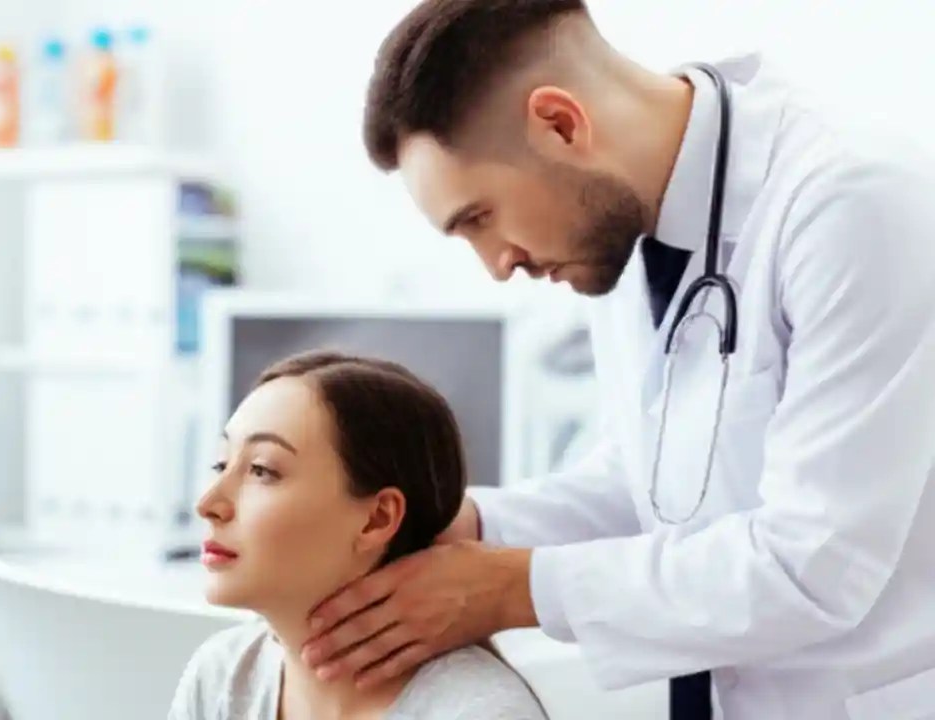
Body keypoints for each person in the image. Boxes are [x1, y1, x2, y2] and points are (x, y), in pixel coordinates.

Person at [297, 2, 935, 719]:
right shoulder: (622, 232)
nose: (497, 265)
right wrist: (467, 524)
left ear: (561, 124)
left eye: (480, 216)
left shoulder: (853, 203)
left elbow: (815, 563)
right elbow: (655, 491)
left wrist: (509, 589)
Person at [169, 351, 548, 720]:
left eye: (262, 470)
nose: (208, 503)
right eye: (221, 463)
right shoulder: (223, 676)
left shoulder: (480, 712)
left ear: (377, 519)